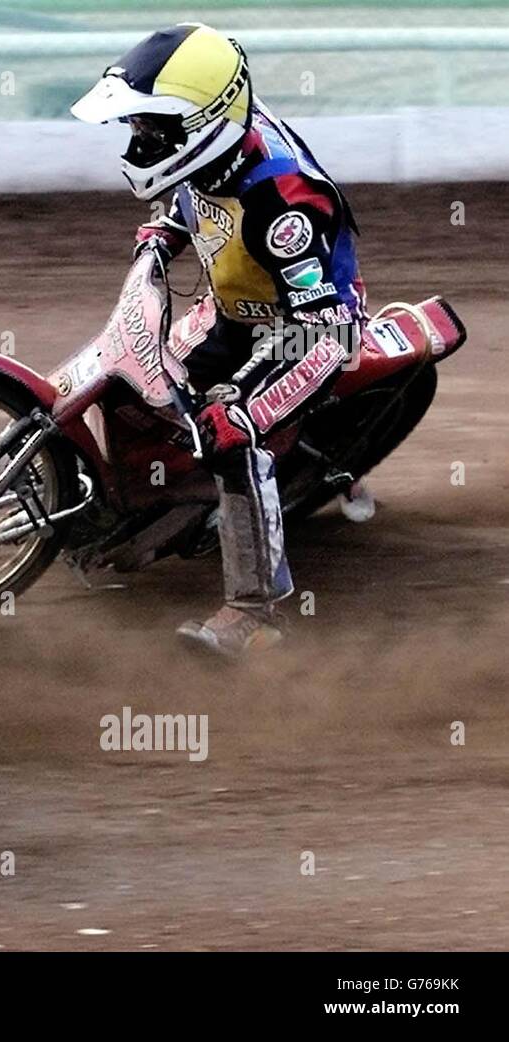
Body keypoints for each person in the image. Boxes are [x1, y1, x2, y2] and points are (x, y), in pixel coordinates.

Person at [70, 22, 366, 657]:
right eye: (136, 127)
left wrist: (245, 402)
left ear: (201, 123)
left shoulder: (285, 204)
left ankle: (255, 614)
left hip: (309, 328)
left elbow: (323, 327)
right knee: (146, 381)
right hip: (236, 306)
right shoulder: (215, 143)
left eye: (151, 128)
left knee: (232, 436)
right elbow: (195, 191)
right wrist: (162, 237)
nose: (138, 140)